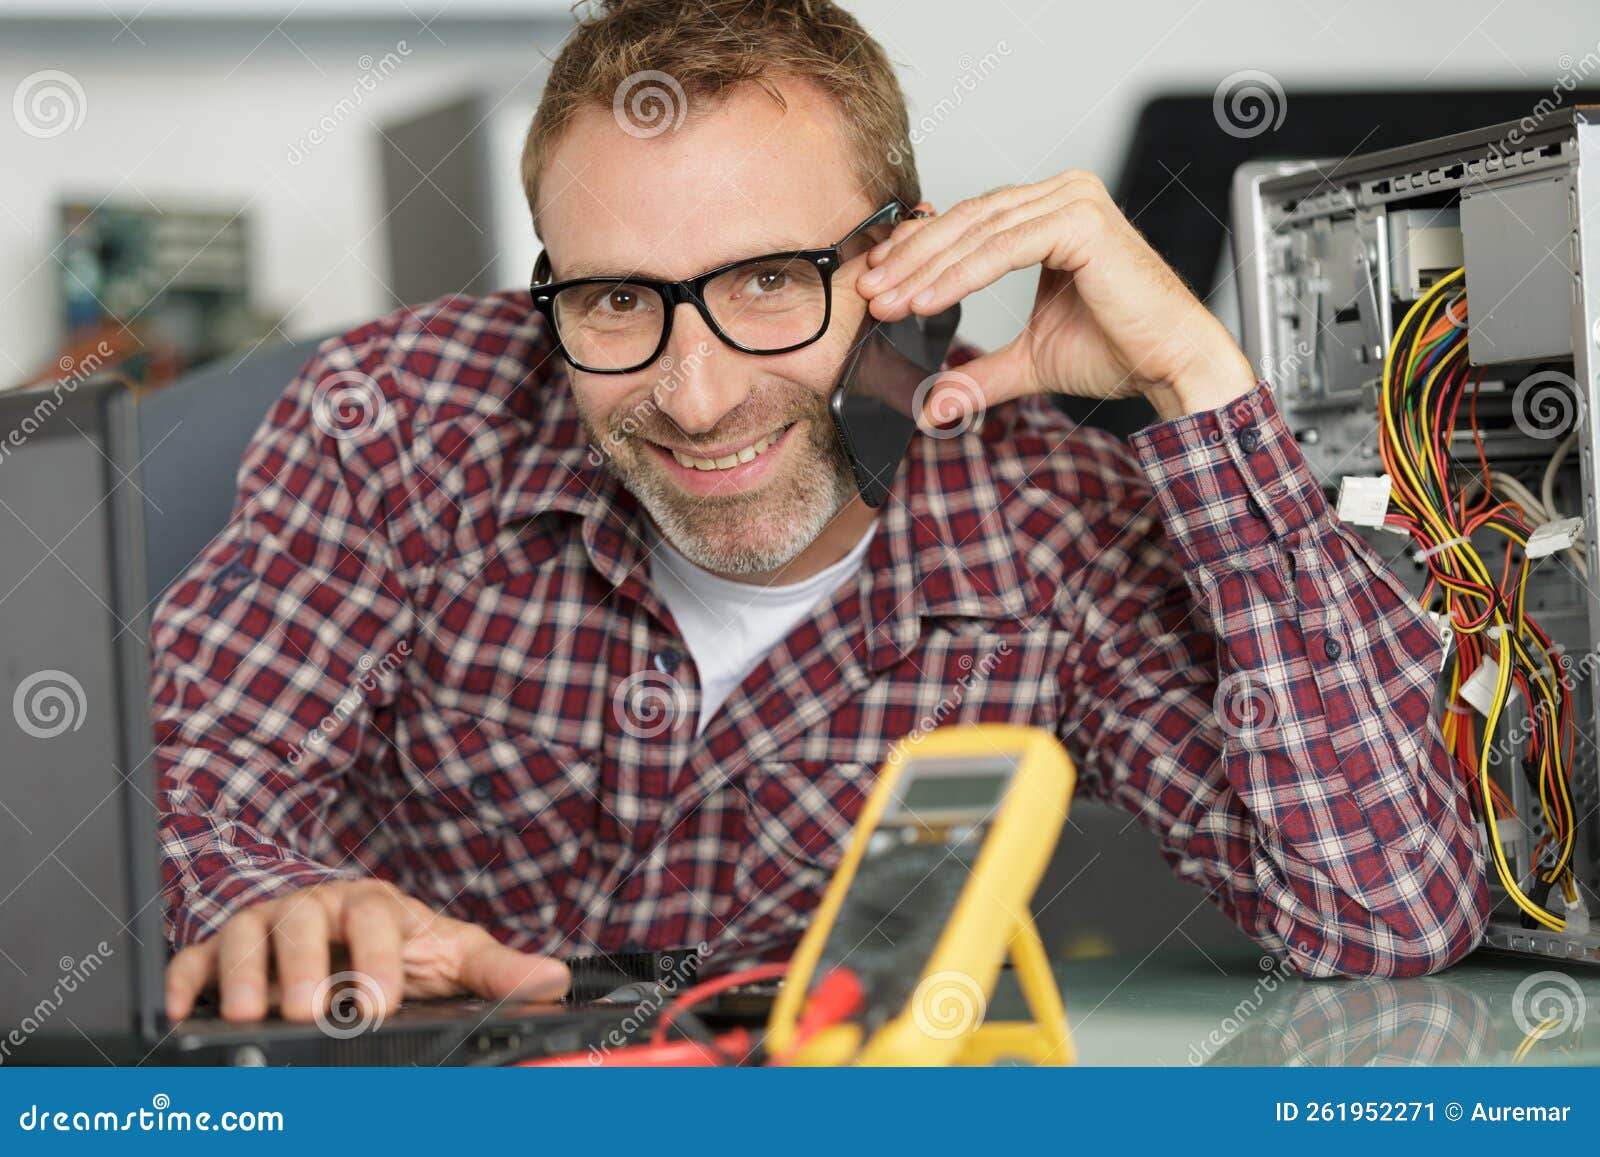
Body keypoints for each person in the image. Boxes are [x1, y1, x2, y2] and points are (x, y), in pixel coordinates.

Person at [158, 0, 1485, 1025]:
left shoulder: (1056, 521)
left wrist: (1200, 386)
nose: (695, 397)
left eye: (770, 284)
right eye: (615, 299)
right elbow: (174, 788)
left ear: (909, 267)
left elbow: (1384, 913)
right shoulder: (398, 419)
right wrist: (273, 903)